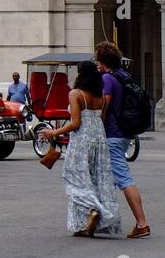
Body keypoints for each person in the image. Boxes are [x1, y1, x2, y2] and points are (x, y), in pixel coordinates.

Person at [41, 61, 120, 238]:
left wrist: (54, 131)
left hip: (81, 140)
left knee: (75, 177)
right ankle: (86, 223)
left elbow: (76, 123)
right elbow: (101, 118)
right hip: (99, 139)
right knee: (95, 178)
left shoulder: (75, 94)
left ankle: (93, 209)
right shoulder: (100, 96)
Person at [96, 42, 151, 238]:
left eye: (98, 60)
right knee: (106, 179)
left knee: (124, 179)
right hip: (123, 134)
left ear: (103, 61)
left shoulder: (108, 79)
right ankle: (99, 219)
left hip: (112, 134)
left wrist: (97, 127)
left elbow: (105, 106)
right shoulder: (122, 76)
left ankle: (142, 223)